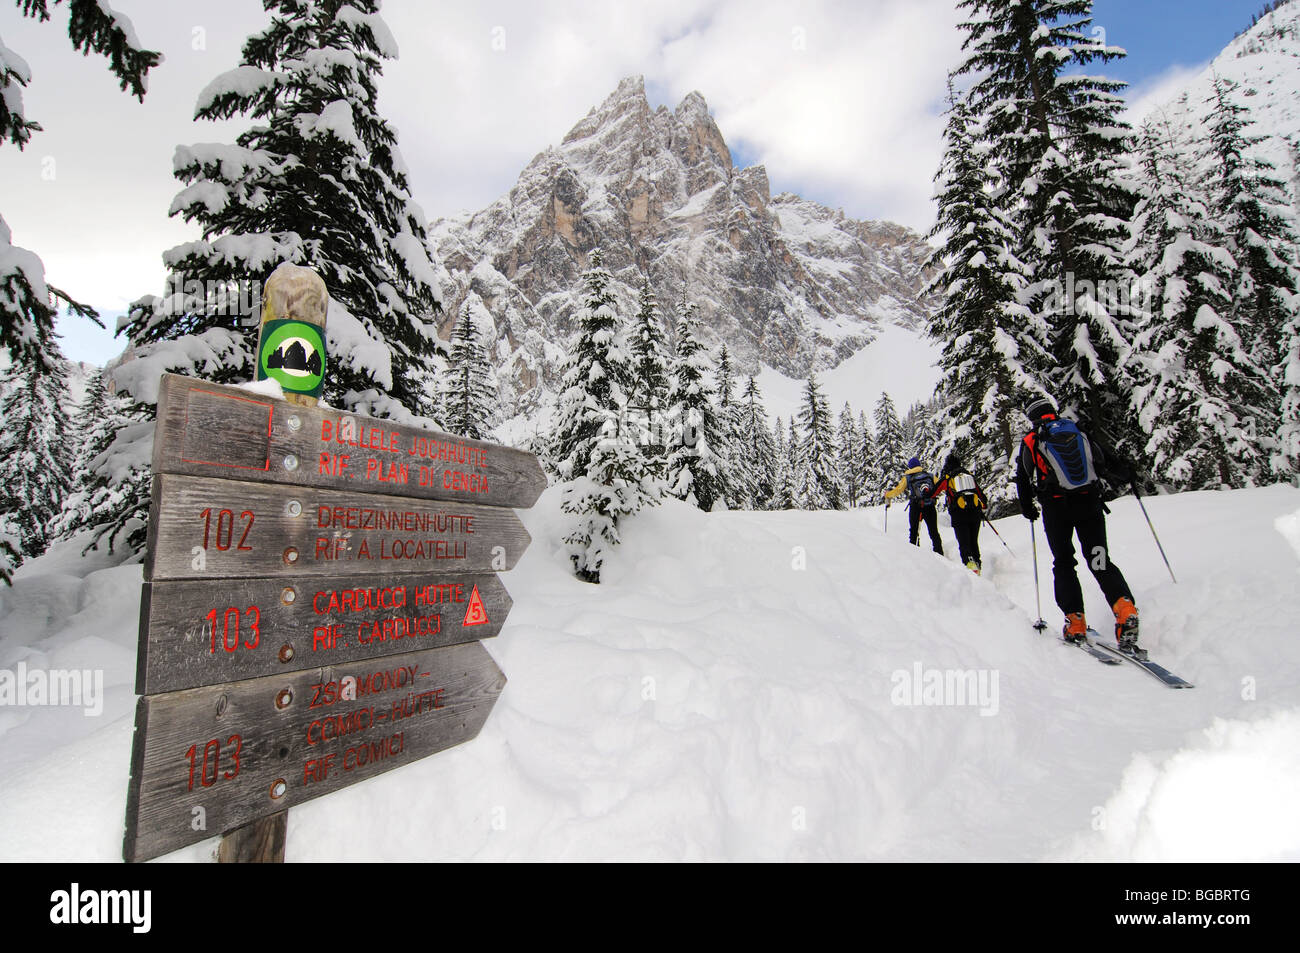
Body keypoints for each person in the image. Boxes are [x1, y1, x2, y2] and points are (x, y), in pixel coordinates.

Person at [1015, 397, 1142, 655]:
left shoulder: (1032, 439)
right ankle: (1124, 607)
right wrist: (1126, 475)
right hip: (1089, 502)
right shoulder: (1076, 429)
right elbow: (1104, 460)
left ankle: (1075, 622)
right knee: (1099, 559)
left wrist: (1027, 507)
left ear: (1032, 416)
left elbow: (1023, 477)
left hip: (1056, 508)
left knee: (1064, 562)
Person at [930, 453, 988, 574]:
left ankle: (970, 565)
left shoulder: (948, 478)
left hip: (958, 514)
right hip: (975, 513)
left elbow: (934, 492)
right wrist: (982, 507)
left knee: (963, 542)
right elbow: (981, 495)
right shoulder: (969, 476)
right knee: (973, 541)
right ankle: (978, 564)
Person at [884, 457, 944, 554]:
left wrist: (888, 494)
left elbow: (898, 490)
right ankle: (939, 552)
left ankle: (914, 554)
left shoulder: (908, 478)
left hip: (916, 506)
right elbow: (940, 486)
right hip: (930, 505)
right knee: (933, 531)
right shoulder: (929, 476)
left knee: (914, 531)